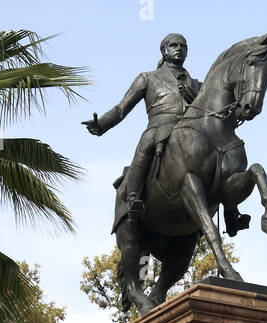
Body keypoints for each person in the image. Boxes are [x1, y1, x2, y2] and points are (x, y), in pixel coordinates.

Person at [83, 33, 200, 219]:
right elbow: (122, 108)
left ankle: (231, 212)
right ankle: (133, 196)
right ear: (164, 50)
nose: (179, 49)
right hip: (159, 127)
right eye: (174, 45)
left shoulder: (196, 84)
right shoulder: (148, 78)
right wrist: (102, 123)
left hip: (191, 133)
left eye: (183, 46)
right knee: (146, 144)